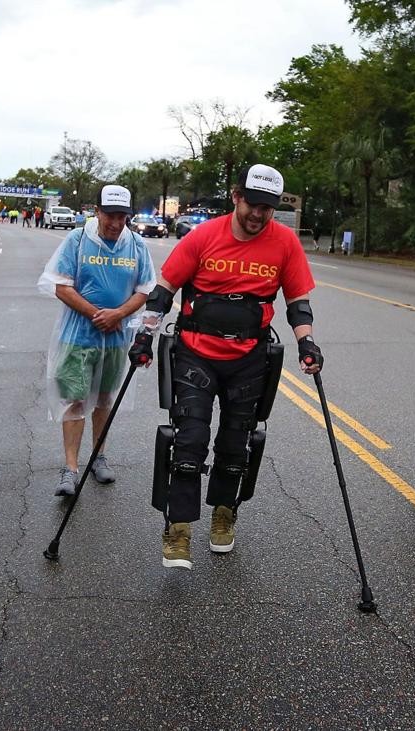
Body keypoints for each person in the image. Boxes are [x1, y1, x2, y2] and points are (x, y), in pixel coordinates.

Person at [127, 164, 320, 570]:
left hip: (249, 358)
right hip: (196, 352)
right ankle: (178, 526)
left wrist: (307, 342)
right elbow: (164, 291)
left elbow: (298, 302)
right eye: (252, 204)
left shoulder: (285, 243)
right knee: (190, 439)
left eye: (267, 208)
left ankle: (224, 514)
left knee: (237, 444)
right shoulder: (204, 236)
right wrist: (144, 334)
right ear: (236, 196)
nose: (257, 214)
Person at [38, 185, 155, 497]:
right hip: (77, 336)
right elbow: (61, 285)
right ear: (97, 212)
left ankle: (98, 458)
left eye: (122, 217)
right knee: (75, 400)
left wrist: (117, 314)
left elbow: (145, 289)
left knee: (104, 399)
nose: (115, 223)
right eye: (109, 215)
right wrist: (95, 314)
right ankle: (70, 469)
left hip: (115, 338)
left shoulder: (137, 245)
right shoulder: (77, 240)